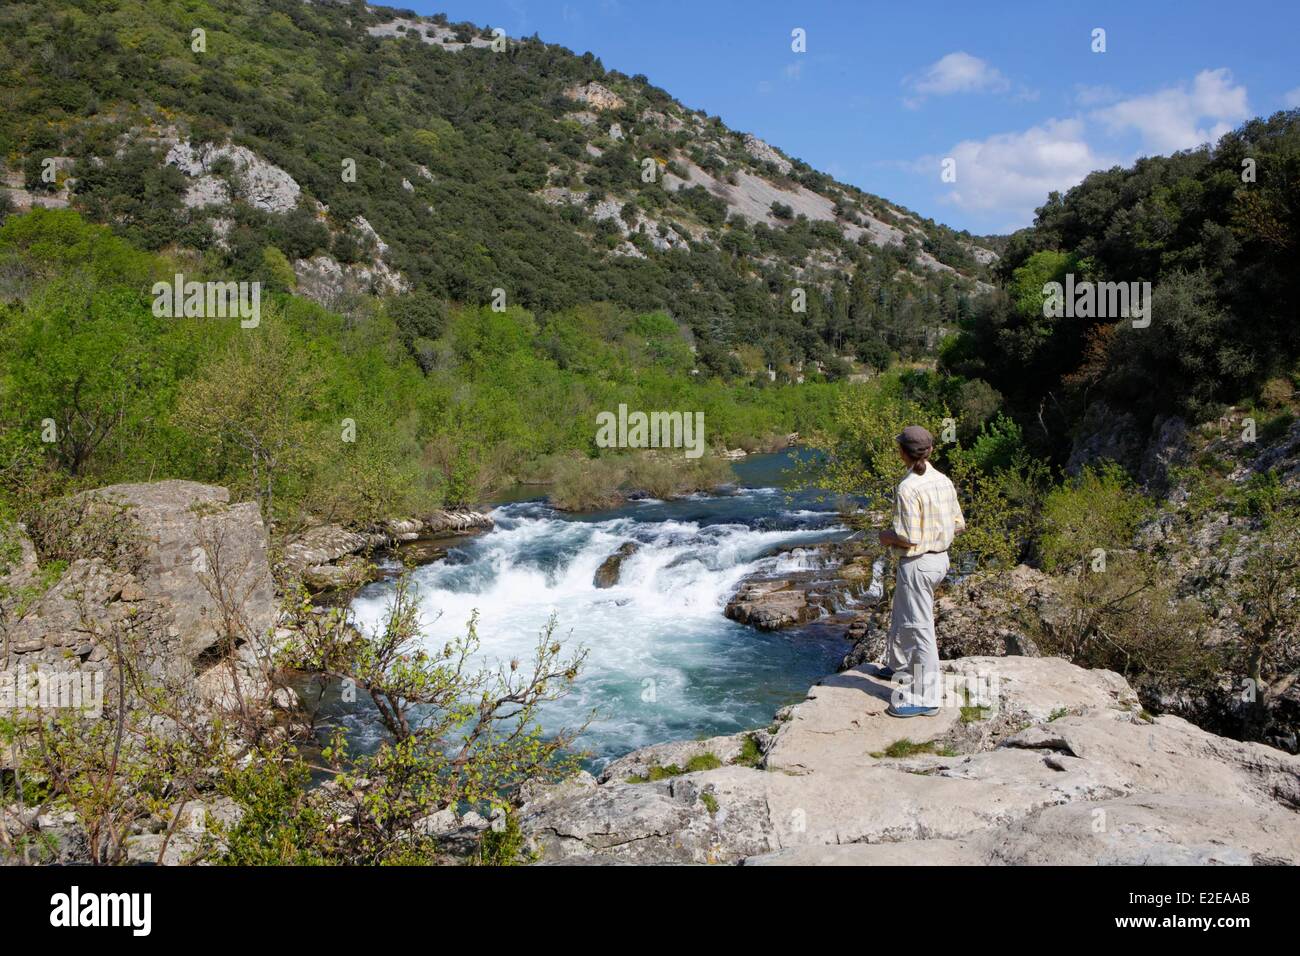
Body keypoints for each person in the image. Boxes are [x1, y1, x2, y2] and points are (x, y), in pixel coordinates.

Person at [875, 425, 965, 717]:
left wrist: (886, 537)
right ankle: (898, 666)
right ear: (931, 450)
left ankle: (926, 697)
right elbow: (959, 524)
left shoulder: (907, 488)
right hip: (940, 560)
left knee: (919, 627)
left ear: (902, 453)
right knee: (903, 611)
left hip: (918, 563)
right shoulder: (944, 481)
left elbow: (907, 537)